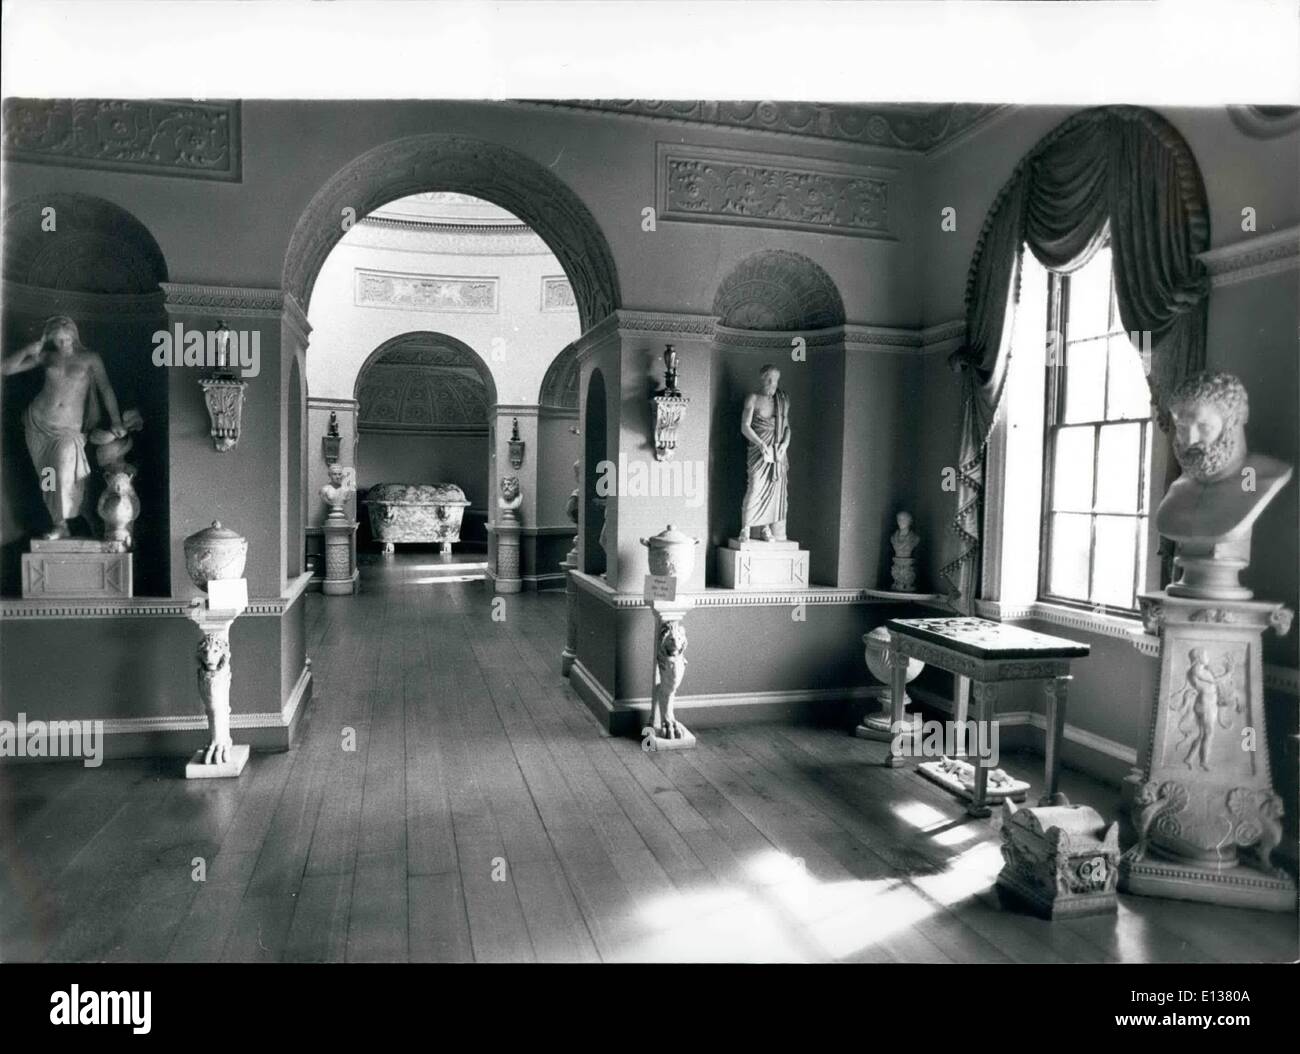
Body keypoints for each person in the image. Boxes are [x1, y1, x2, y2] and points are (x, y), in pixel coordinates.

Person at [2, 316, 126, 539]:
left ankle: (63, 523)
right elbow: (6, 369)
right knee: (47, 479)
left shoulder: (89, 358)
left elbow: (105, 389)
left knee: (61, 472)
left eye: (65, 339)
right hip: (39, 426)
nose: (61, 344)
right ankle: (57, 523)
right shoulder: (47, 356)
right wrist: (29, 350)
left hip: (68, 430)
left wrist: (116, 420)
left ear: (73, 335)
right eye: (56, 340)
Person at [738, 364, 790, 541]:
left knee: (772, 492)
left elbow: (787, 428)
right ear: (762, 379)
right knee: (755, 488)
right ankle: (745, 528)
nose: (773, 383)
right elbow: (744, 426)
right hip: (759, 452)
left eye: (775, 380)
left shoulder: (781, 402)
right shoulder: (752, 398)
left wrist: (784, 443)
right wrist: (760, 443)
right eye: (769, 379)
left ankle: (765, 529)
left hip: (776, 453)